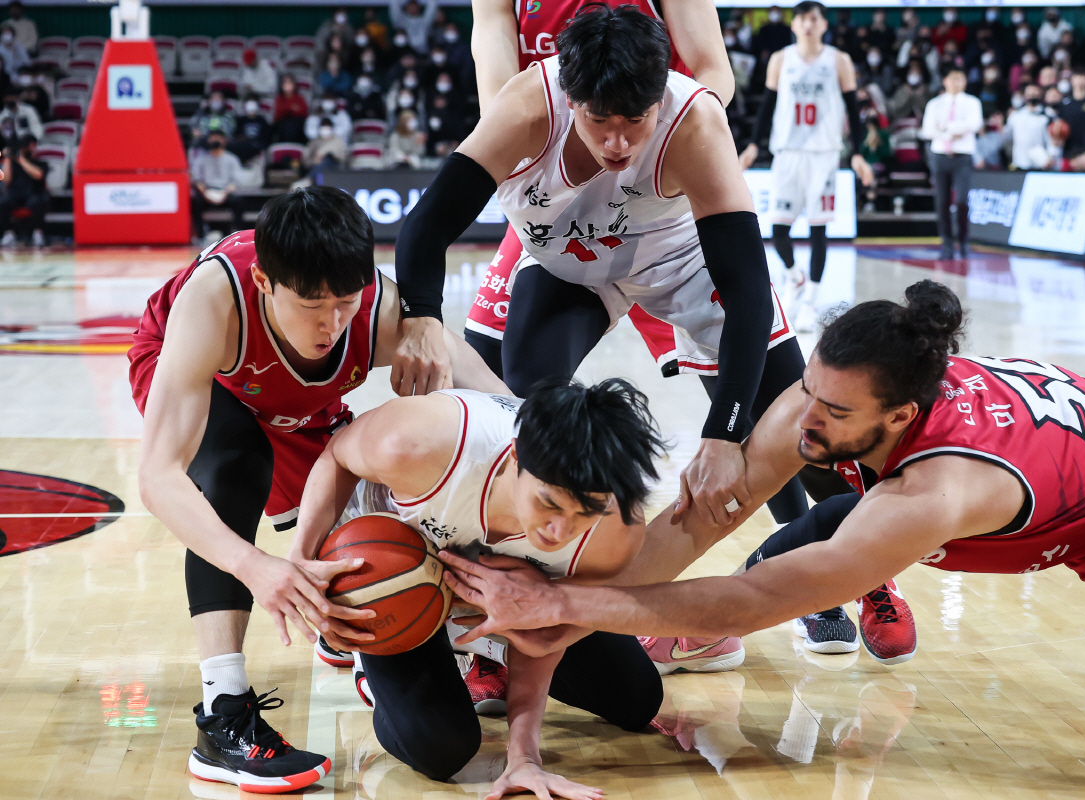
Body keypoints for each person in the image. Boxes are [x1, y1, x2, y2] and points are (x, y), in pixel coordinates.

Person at [442, 278, 1085, 789]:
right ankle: (847, 554)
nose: (806, 418)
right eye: (809, 390)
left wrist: (563, 610)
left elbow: (749, 602)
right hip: (1058, 479)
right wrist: (568, 597)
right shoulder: (830, 400)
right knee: (820, 501)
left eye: (835, 413)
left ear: (901, 417)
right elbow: (700, 519)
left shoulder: (937, 491)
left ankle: (849, 563)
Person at [393, 4, 911, 669]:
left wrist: (723, 436)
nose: (616, 143)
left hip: (682, 257)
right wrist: (420, 317)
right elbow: (426, 224)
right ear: (570, 96)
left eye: (633, 121)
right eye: (599, 122)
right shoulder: (526, 106)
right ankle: (505, 631)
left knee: (805, 423)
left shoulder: (692, 117)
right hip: (570, 265)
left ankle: (866, 575)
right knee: (528, 424)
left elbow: (748, 292)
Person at [128, 186, 504, 794]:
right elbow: (157, 477)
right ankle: (222, 714)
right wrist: (256, 567)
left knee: (360, 525)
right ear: (264, 281)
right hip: (197, 369)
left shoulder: (382, 314)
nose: (330, 325)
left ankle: (357, 641)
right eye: (310, 305)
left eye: (344, 304)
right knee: (232, 464)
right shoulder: (215, 300)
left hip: (299, 405)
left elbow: (499, 406)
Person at [292, 377, 667, 790]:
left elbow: (546, 637)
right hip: (390, 583)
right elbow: (337, 456)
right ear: (515, 455)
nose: (560, 531)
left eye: (583, 514)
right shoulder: (416, 442)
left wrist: (524, 756)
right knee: (441, 748)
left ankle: (488, 648)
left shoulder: (613, 536)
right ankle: (373, 665)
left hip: (499, 595)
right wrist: (302, 562)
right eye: (549, 503)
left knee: (636, 699)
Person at [463, 0, 733, 383]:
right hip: (561, 187)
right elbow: (498, 103)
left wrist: (667, 142)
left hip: (658, 187)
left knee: (741, 377)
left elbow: (715, 71)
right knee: (488, 361)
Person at [738, 2, 875, 333]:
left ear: (823, 24)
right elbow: (767, 106)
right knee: (778, 230)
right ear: (794, 24)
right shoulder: (780, 59)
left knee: (818, 230)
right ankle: (794, 277)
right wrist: (754, 145)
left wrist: (857, 152)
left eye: (814, 18)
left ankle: (811, 301)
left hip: (824, 154)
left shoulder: (838, 60)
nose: (808, 24)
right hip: (787, 152)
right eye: (802, 18)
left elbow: (853, 111)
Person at [921, 67, 982, 261]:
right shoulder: (935, 104)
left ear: (964, 81)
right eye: (952, 79)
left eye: (960, 79)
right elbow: (927, 130)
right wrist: (953, 131)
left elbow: (974, 125)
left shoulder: (972, 102)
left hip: (963, 157)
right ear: (945, 81)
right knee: (942, 202)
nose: (956, 83)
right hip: (940, 156)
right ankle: (946, 244)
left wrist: (947, 126)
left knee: (962, 201)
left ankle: (963, 240)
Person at [189, 129, 244, 240]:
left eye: (218, 137)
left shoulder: (232, 159)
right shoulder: (201, 159)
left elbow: (236, 180)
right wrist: (205, 193)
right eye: (212, 137)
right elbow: (196, 179)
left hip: (225, 192)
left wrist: (225, 192)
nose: (215, 140)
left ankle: (238, 234)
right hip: (207, 192)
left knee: (238, 201)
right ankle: (200, 235)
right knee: (195, 202)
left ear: (224, 140)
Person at [0, 132, 44, 247]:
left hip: (32, 193)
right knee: (3, 203)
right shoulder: (11, 164)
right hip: (14, 194)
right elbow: (6, 180)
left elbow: (38, 175)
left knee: (38, 203)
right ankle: (8, 233)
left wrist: (21, 160)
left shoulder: (38, 162)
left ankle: (37, 233)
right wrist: (8, 158)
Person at [1006, 83, 1056, 171]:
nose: (1032, 97)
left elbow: (1052, 139)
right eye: (1029, 94)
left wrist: (1051, 156)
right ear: (1024, 96)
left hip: (1040, 165)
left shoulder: (1048, 115)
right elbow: (1007, 137)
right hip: (1019, 163)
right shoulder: (1016, 115)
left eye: (1035, 94)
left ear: (1040, 95)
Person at [228, 97, 272, 163]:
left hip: (257, 145)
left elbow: (266, 136)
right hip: (243, 145)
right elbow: (236, 135)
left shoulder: (262, 120)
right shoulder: (241, 120)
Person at [272, 74, 308, 143]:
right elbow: (278, 113)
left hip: (297, 124)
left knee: (294, 126)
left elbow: (304, 113)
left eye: (289, 82)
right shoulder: (279, 98)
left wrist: (288, 109)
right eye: (285, 82)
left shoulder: (299, 98)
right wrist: (292, 108)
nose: (287, 84)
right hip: (282, 123)